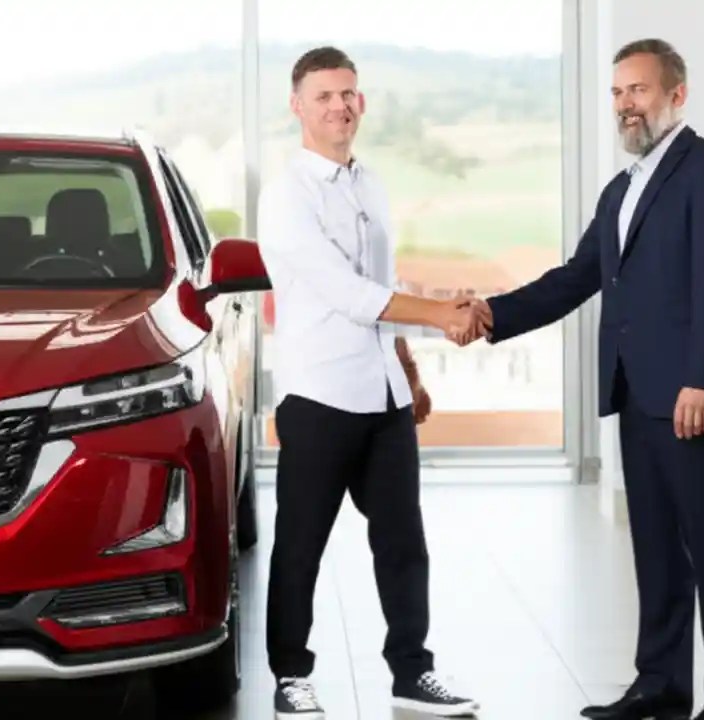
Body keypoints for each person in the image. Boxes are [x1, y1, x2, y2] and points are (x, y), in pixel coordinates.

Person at [459, 39, 704, 720]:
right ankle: (660, 685)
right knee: (656, 549)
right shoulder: (621, 189)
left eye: (640, 90)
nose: (627, 105)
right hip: (635, 393)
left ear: (676, 95)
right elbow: (576, 279)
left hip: (693, 395)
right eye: (618, 92)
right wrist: (490, 315)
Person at [256, 46, 481, 718]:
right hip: (320, 397)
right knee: (301, 544)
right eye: (324, 96)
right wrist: (444, 315)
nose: (340, 106)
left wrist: (407, 369)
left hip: (382, 395)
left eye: (349, 94)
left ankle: (413, 673)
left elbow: (382, 288)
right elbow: (346, 293)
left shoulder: (371, 183)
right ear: (297, 106)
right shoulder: (284, 196)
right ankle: (291, 674)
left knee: (403, 542)